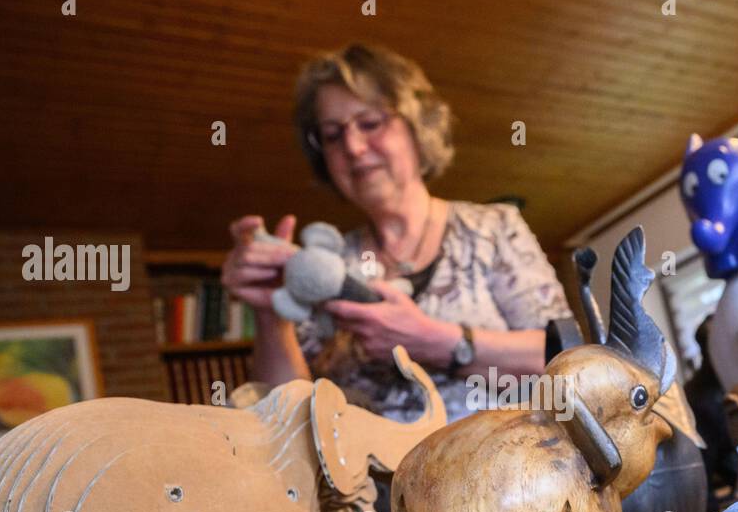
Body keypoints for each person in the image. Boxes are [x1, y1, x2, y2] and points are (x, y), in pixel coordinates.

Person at [221, 43, 572, 423]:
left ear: (417, 128)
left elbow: (571, 359)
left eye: (370, 123)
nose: (353, 147)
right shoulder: (326, 267)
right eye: (333, 135)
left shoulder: (492, 229)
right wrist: (271, 315)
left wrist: (437, 342)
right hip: (372, 484)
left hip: (507, 474)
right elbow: (284, 420)